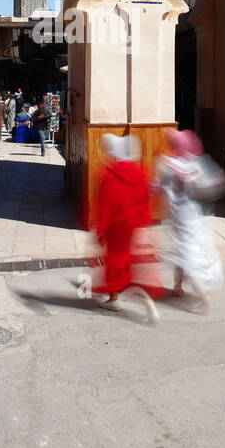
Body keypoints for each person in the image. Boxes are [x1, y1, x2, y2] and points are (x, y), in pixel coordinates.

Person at [92, 134, 164, 318]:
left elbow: (105, 206)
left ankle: (116, 299)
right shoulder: (138, 171)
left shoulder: (110, 175)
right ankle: (116, 297)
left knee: (114, 263)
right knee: (124, 262)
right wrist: (143, 220)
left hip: (115, 228)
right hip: (131, 227)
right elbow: (143, 198)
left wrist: (100, 230)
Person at [153, 130, 225, 314]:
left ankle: (204, 301)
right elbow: (210, 186)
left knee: (188, 257)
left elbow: (155, 187)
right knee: (184, 252)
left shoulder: (168, 166)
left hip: (180, 218)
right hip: (194, 217)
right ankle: (177, 286)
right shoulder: (194, 164)